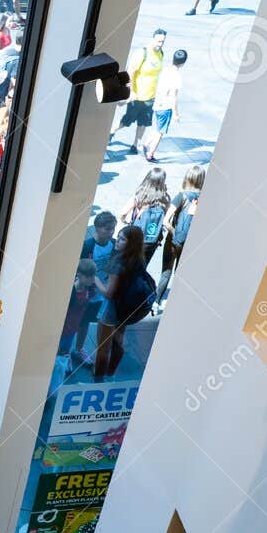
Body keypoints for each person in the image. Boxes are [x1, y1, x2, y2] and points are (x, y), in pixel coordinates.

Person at [90, 224, 152, 380]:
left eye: (122, 239)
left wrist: (95, 279)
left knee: (103, 348)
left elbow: (109, 294)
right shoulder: (138, 259)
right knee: (118, 342)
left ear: (130, 243)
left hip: (111, 310)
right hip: (126, 307)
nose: (117, 241)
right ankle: (111, 374)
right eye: (118, 237)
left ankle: (98, 380)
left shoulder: (118, 263)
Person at [154, 163, 203, 310]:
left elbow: (166, 221)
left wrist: (175, 234)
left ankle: (156, 303)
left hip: (174, 241)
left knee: (166, 272)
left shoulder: (181, 196)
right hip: (190, 243)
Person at [113, 29, 166, 154]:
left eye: (163, 42)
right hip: (137, 96)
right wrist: (130, 91)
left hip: (150, 97)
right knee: (127, 121)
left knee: (143, 123)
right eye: (158, 41)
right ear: (153, 39)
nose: (160, 44)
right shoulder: (143, 53)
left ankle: (135, 145)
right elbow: (130, 72)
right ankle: (112, 131)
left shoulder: (161, 53)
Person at [144, 49, 186, 162]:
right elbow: (174, 96)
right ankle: (150, 154)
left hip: (157, 103)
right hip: (165, 107)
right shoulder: (177, 76)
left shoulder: (165, 70)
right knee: (160, 132)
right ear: (183, 63)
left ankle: (146, 143)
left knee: (157, 126)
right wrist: (176, 113)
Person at [121, 166, 170, 263]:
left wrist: (126, 221)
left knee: (129, 264)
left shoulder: (140, 196)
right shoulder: (165, 199)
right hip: (153, 240)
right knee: (143, 265)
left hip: (136, 238)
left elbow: (123, 214)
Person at [59, 257, 99, 375]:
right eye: (88, 277)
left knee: (68, 341)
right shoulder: (71, 291)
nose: (92, 279)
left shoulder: (90, 287)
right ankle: (62, 356)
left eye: (93, 276)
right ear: (79, 274)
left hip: (75, 323)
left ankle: (66, 354)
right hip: (65, 325)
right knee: (62, 344)